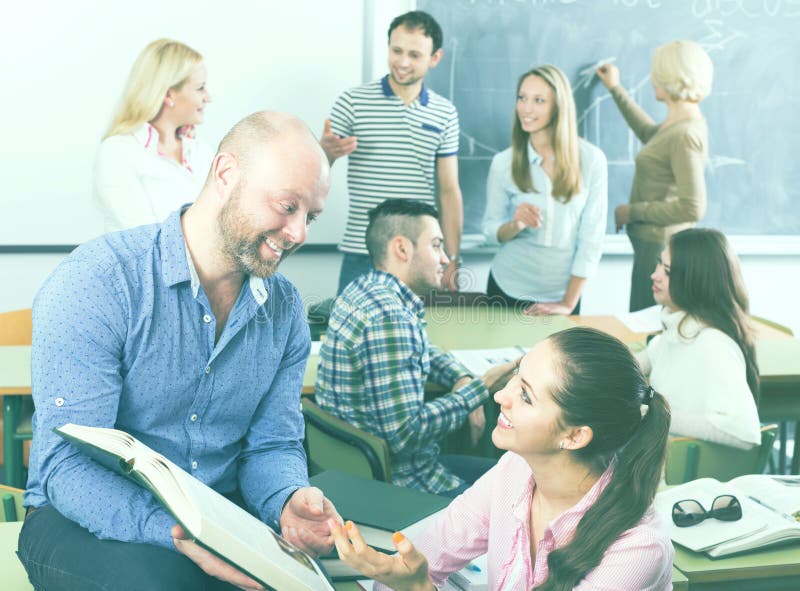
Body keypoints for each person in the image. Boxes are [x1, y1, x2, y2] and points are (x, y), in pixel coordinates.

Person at [19, 112, 340, 591]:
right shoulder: (99, 281)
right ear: (226, 174)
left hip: (220, 523)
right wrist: (180, 535)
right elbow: (67, 468)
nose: (299, 234)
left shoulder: (286, 311)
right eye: (286, 206)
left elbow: (272, 445)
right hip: (86, 518)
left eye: (310, 216)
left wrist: (286, 498)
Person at [329, 327, 674, 590]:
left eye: (525, 395)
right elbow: (424, 557)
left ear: (574, 436)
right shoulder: (515, 470)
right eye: (515, 377)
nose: (499, 396)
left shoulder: (638, 549)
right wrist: (397, 575)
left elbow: (418, 579)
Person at [315, 199, 516, 498]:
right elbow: (405, 435)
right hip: (406, 482)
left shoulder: (365, 290)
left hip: (369, 474)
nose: (446, 258)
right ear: (402, 249)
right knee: (520, 487)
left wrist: (461, 378)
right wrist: (481, 388)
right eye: (436, 245)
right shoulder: (389, 316)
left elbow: (420, 349)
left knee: (512, 478)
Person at [320, 10, 464, 294]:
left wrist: (453, 259)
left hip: (419, 255)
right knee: (353, 335)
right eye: (396, 50)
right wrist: (326, 153)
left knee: (416, 337)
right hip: (363, 250)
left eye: (415, 54)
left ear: (435, 58)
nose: (402, 62)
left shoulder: (444, 113)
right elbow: (316, 170)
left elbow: (449, 191)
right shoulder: (352, 102)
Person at [596, 41, 713, 312]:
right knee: (645, 326)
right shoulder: (678, 125)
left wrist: (632, 211)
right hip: (652, 248)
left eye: (656, 73)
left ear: (670, 78)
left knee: (645, 328)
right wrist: (615, 89)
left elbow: (693, 206)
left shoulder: (685, 134)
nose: (652, 80)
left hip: (659, 252)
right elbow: (650, 134)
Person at [483, 65, 608, 315]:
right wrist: (515, 225)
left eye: (539, 100)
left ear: (558, 106)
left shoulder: (591, 160)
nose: (526, 109)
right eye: (522, 98)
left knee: (559, 357)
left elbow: (591, 240)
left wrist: (568, 303)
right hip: (508, 290)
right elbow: (489, 231)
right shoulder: (503, 163)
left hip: (563, 297)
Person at [637, 228, 761, 449]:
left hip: (677, 477)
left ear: (695, 280)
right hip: (659, 462)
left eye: (667, 271)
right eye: (659, 264)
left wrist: (656, 415)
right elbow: (635, 363)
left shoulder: (713, 344)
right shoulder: (681, 328)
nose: (654, 275)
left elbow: (745, 432)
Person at [94, 38, 214, 232]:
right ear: (169, 95)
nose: (208, 97)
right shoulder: (117, 152)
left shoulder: (201, 151)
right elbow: (146, 239)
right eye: (200, 88)